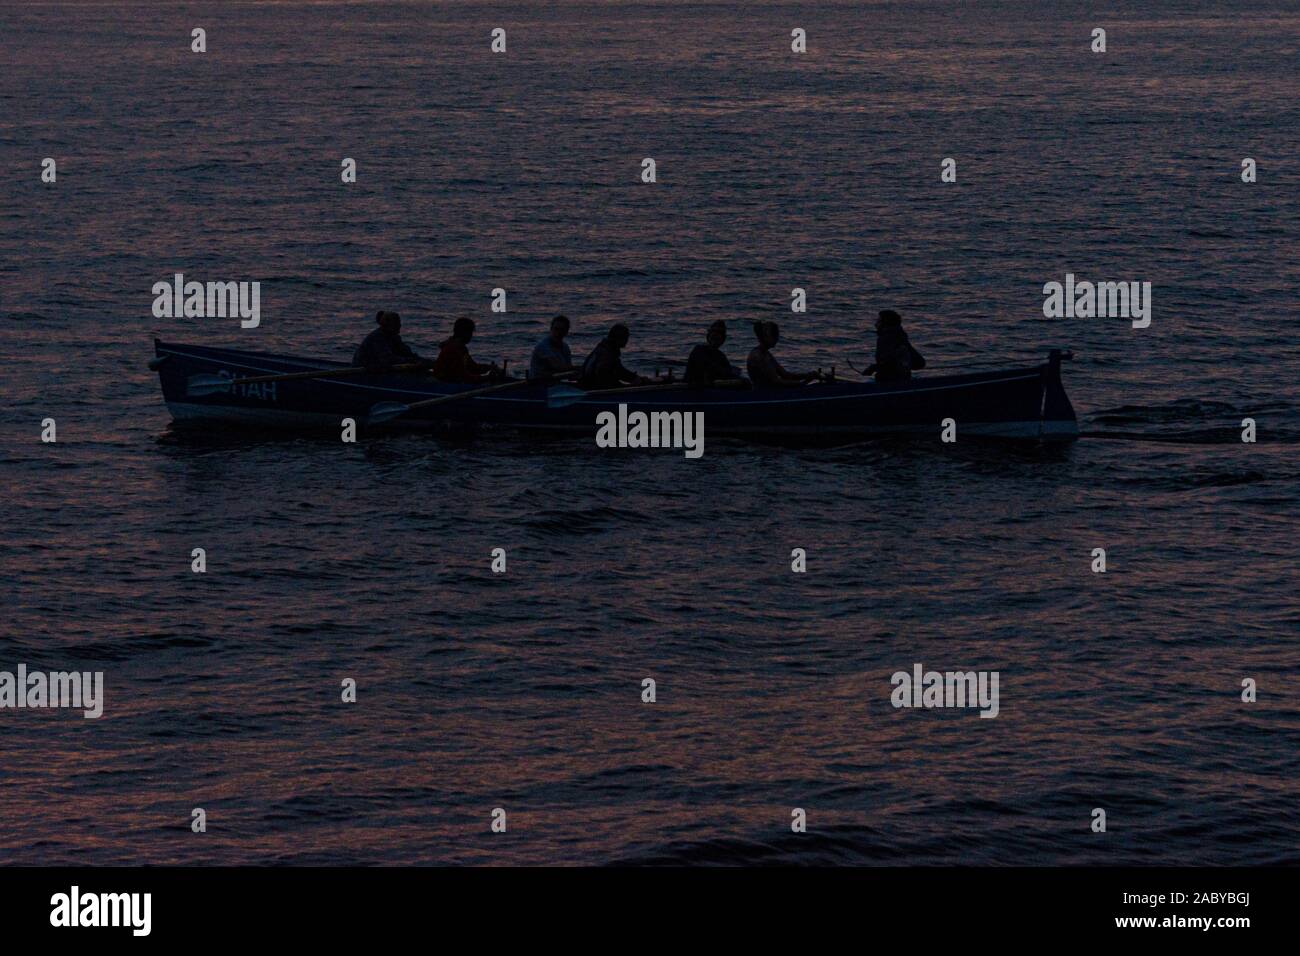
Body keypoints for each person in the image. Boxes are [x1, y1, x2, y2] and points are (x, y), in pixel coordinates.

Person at [578, 323, 652, 389]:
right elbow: (616, 372)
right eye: (626, 337)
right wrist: (635, 379)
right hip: (597, 388)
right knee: (623, 402)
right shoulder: (607, 353)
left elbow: (617, 370)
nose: (627, 340)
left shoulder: (603, 348)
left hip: (590, 386)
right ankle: (623, 404)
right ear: (619, 338)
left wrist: (634, 378)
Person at [746, 321, 819, 387]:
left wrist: (807, 375)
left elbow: (785, 375)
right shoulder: (758, 356)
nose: (777, 339)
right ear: (766, 337)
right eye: (774, 335)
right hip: (765, 394)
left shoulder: (766, 354)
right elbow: (776, 382)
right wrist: (802, 383)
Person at [352, 311, 430, 372]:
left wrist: (420, 360)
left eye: (399, 323)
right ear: (387, 325)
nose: (399, 326)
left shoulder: (394, 337)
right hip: (363, 368)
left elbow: (406, 352)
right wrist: (412, 361)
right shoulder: (377, 337)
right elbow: (388, 359)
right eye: (396, 323)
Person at [431, 318, 502, 384]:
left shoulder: (462, 348)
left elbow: (473, 367)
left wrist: (490, 367)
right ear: (464, 333)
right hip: (445, 385)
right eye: (470, 333)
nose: (471, 336)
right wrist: (487, 378)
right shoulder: (452, 350)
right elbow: (464, 377)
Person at [865, 310, 925, 383]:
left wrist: (872, 368)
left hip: (889, 381)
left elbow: (888, 363)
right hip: (903, 379)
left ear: (885, 323)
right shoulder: (900, 336)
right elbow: (919, 363)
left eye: (878, 321)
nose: (875, 324)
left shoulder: (887, 338)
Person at [685, 320, 744, 387]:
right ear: (708, 337)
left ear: (723, 339)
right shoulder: (699, 351)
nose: (716, 335)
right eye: (714, 333)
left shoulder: (721, 356)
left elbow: (727, 372)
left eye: (719, 333)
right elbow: (713, 368)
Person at [529, 315, 575, 379]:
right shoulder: (543, 346)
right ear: (551, 329)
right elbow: (558, 367)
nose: (558, 333)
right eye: (556, 329)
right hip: (538, 384)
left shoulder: (565, 347)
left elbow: (569, 370)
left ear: (566, 332)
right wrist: (581, 368)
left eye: (561, 330)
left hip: (554, 384)